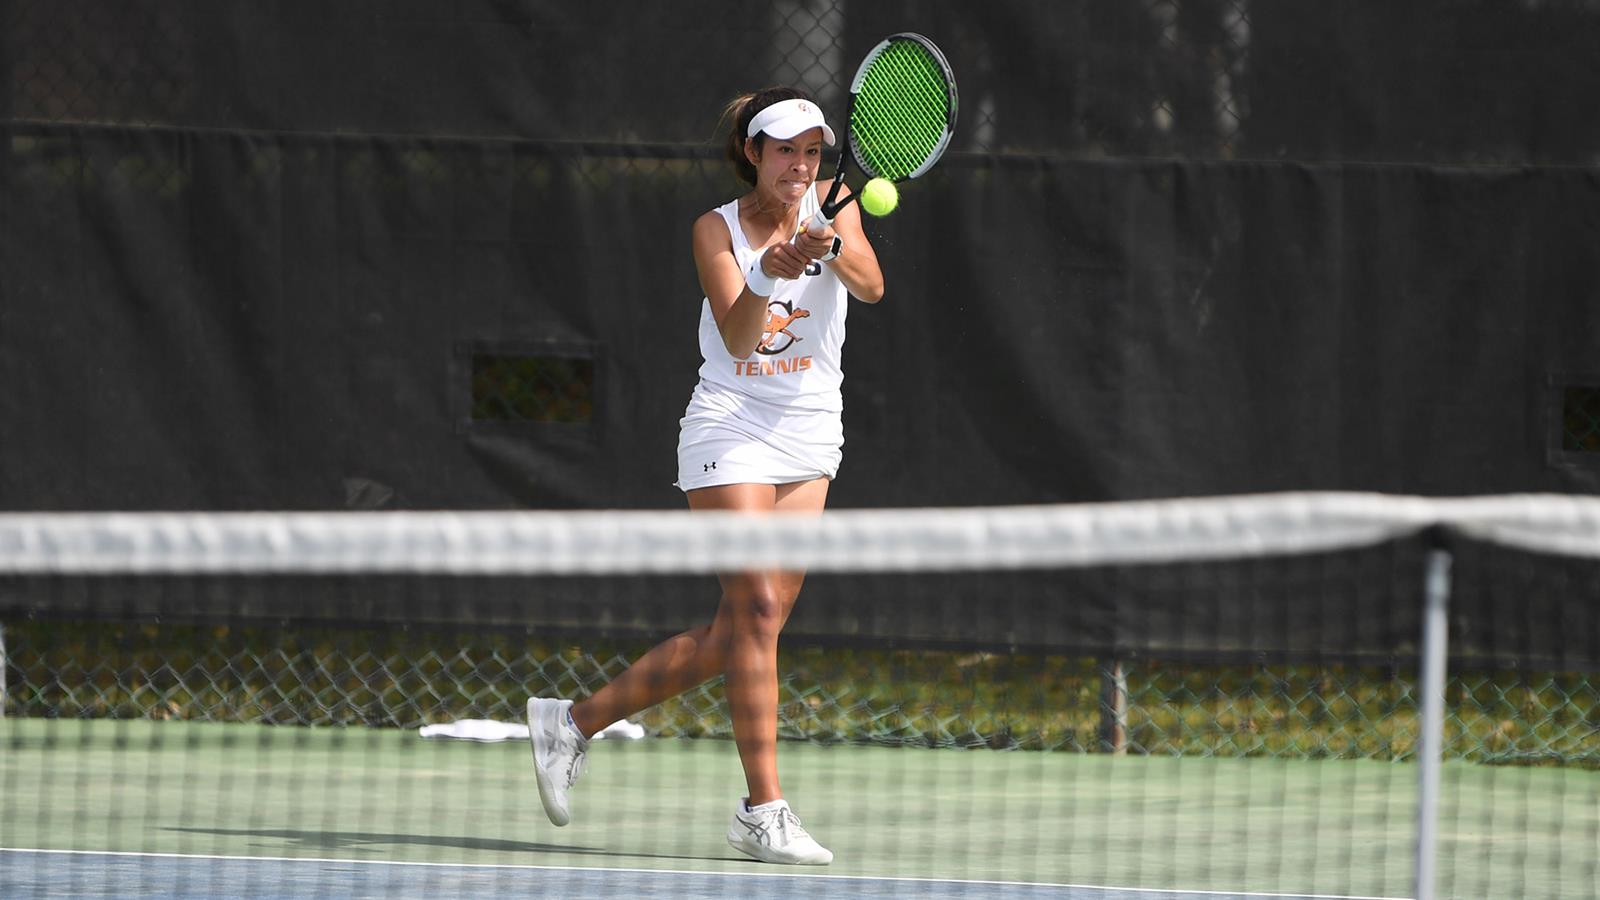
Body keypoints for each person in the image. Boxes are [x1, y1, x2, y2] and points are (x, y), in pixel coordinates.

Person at [526, 86, 884, 866]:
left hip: (812, 431)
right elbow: (741, 337)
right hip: (731, 423)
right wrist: (770, 271)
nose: (801, 164)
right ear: (752, 153)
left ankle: (571, 724)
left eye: (813, 151)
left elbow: (871, 284)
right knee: (755, 603)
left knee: (743, 632)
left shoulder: (834, 202)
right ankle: (764, 810)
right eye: (785, 149)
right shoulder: (714, 230)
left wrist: (828, 240)